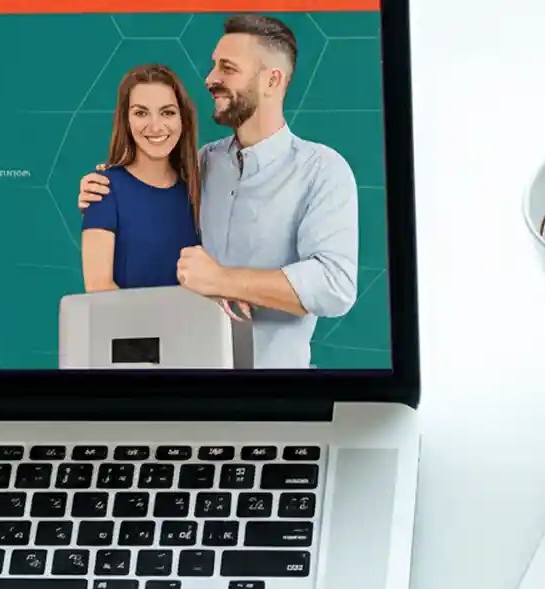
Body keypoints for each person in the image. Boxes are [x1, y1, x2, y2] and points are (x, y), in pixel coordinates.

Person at [77, 14, 359, 369]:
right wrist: (105, 188)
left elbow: (334, 285)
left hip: (275, 395)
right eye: (214, 66)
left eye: (228, 68)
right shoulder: (202, 165)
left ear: (272, 80)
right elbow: (148, 193)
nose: (210, 79)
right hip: (187, 386)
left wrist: (224, 280)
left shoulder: (322, 170)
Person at [79, 64, 202, 292]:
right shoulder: (103, 190)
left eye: (168, 112)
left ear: (182, 119)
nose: (155, 126)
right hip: (127, 327)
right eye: (141, 112)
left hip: (199, 325)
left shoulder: (198, 190)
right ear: (126, 120)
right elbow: (98, 286)